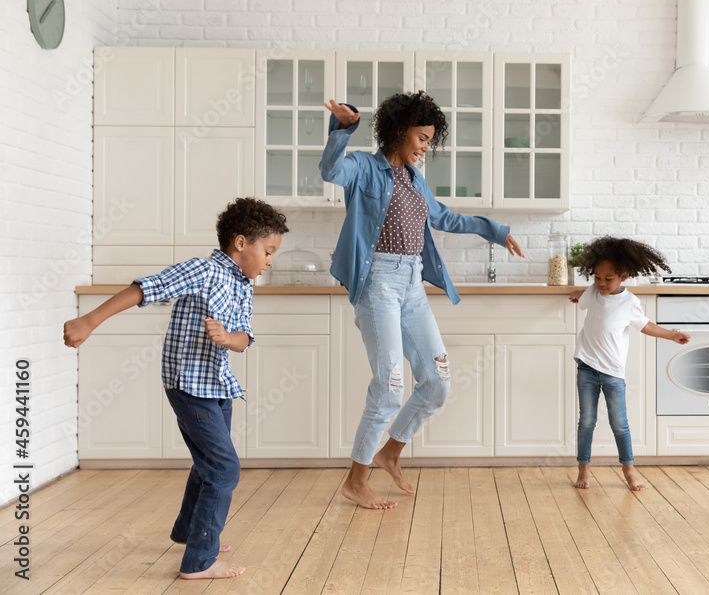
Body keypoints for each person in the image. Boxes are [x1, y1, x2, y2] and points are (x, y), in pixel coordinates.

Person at [63, 197, 288, 579]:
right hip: (187, 385)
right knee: (225, 468)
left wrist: (225, 337)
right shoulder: (202, 271)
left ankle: (191, 531)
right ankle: (200, 561)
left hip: (217, 385)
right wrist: (89, 320)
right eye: (267, 251)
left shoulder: (244, 284)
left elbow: (245, 338)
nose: (270, 261)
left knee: (209, 464)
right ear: (240, 243)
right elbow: (145, 289)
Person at [320, 91, 524, 510]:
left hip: (413, 286)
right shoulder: (364, 168)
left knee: (437, 382)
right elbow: (330, 169)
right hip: (377, 282)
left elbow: (444, 217)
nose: (425, 147)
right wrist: (343, 128)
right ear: (399, 131)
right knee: (391, 387)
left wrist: (495, 231)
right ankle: (356, 480)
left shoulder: (414, 179)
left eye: (430, 140)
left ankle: (390, 452)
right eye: (422, 138)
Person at [568, 236, 690, 491]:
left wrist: (672, 334)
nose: (601, 283)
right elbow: (585, 300)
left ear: (623, 275)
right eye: (597, 278)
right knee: (587, 421)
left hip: (613, 373)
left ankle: (629, 469)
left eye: (608, 279)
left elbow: (644, 325)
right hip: (587, 368)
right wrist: (579, 293)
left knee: (619, 423)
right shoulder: (593, 291)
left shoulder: (629, 302)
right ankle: (583, 468)